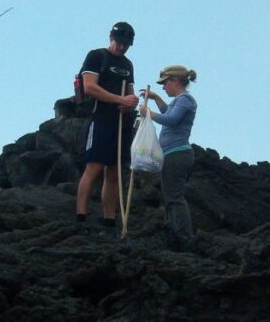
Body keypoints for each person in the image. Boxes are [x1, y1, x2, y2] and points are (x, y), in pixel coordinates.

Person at [75, 22, 139, 234]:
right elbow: (90, 87)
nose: (122, 47)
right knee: (94, 166)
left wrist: (131, 102)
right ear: (111, 38)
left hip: (121, 121)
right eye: (119, 42)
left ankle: (109, 219)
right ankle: (81, 215)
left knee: (114, 170)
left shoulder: (128, 64)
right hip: (100, 118)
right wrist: (119, 99)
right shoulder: (97, 56)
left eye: (126, 44)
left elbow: (130, 91)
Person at [140, 65, 198, 249]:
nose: (164, 87)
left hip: (177, 154)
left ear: (176, 81)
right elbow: (168, 113)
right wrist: (156, 98)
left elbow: (172, 120)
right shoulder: (180, 101)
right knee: (170, 196)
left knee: (174, 197)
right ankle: (175, 235)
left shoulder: (185, 99)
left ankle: (185, 239)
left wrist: (149, 114)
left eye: (165, 83)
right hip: (173, 154)